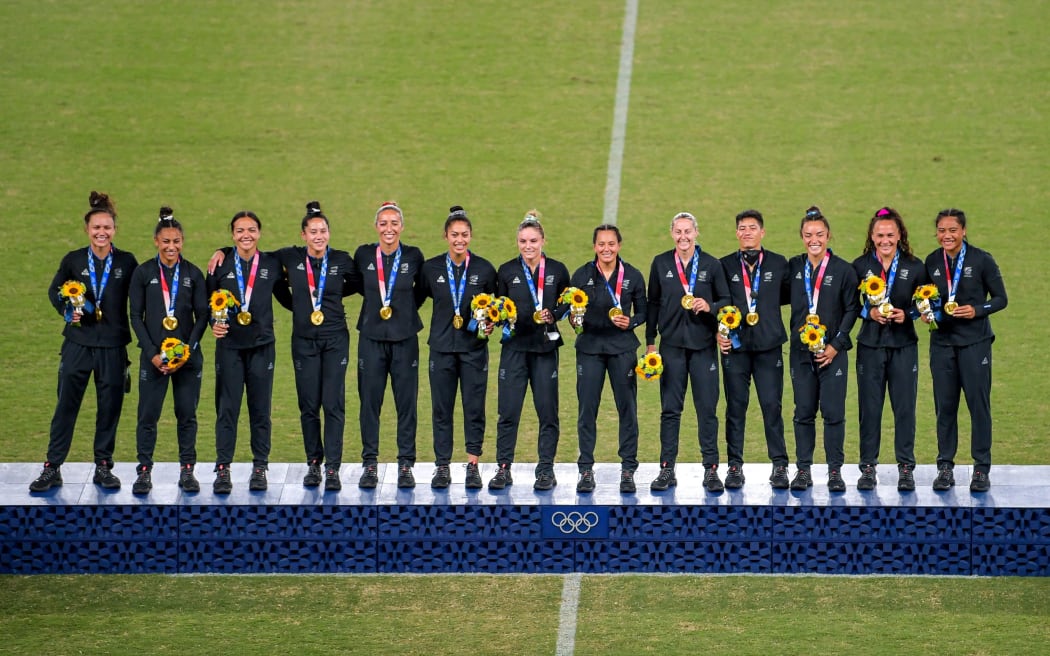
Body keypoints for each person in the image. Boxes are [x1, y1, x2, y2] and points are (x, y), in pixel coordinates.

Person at [31, 192, 138, 492]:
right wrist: (67, 312)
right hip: (77, 344)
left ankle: (103, 466)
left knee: (109, 408)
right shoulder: (74, 260)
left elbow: (143, 296)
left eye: (107, 227)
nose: (101, 232)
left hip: (114, 347)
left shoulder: (127, 262)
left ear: (114, 229)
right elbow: (55, 291)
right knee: (66, 405)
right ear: (87, 230)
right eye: (96, 228)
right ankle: (53, 466)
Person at [207, 210, 292, 494]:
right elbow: (208, 303)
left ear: (259, 233)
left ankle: (260, 467)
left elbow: (287, 297)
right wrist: (212, 324)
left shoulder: (271, 263)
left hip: (261, 347)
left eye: (252, 230)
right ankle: (223, 469)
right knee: (227, 411)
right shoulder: (220, 265)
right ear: (232, 235)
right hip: (229, 347)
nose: (246, 235)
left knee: (260, 411)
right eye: (240, 230)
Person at [646, 211, 731, 493]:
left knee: (707, 410)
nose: (683, 237)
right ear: (672, 234)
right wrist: (650, 342)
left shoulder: (711, 264)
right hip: (671, 348)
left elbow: (726, 301)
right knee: (670, 411)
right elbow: (653, 304)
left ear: (696, 233)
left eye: (688, 231)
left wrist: (710, 307)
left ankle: (711, 470)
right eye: (678, 232)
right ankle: (667, 469)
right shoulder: (660, 263)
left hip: (704, 347)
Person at [923, 208, 1007, 492]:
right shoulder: (932, 261)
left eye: (953, 230)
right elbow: (927, 298)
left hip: (975, 343)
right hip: (942, 345)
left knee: (978, 406)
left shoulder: (982, 260)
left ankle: (981, 469)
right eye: (942, 230)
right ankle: (945, 467)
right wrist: (926, 313)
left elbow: (1000, 299)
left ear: (963, 231)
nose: (947, 235)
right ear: (937, 233)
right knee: (944, 407)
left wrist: (977, 310)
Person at [128, 207, 210, 495]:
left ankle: (187, 471)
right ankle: (144, 472)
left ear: (182, 241)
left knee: (186, 414)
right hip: (153, 359)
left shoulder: (193, 274)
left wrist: (186, 351)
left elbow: (203, 316)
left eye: (176, 241)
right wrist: (152, 352)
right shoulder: (143, 273)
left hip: (187, 360)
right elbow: (135, 316)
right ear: (156, 241)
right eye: (166, 242)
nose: (171, 247)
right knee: (147, 416)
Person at [489, 211, 571, 491]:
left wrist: (555, 314)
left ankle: (546, 469)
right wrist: (497, 318)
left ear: (543, 241)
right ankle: (503, 468)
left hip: (545, 349)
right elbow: (498, 308)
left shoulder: (558, 270)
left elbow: (568, 302)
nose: (528, 246)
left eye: (533, 240)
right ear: (517, 242)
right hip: (514, 349)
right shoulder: (507, 271)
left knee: (547, 412)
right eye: (523, 241)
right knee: (508, 411)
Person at [282, 201, 360, 491]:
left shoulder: (340, 260)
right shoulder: (290, 258)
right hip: (304, 341)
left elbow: (355, 284)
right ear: (303, 235)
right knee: (309, 405)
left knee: (333, 403)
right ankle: (314, 463)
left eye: (323, 231)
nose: (318, 236)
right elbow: (260, 262)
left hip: (335, 339)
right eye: (313, 231)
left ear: (329, 233)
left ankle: (332, 469)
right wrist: (222, 251)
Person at [418, 206, 498, 489]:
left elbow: (496, 309)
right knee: (442, 408)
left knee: (474, 407)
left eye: (464, 234)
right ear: (445, 236)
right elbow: (415, 299)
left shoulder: (485, 269)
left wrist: (490, 324)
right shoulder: (430, 268)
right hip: (440, 348)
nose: (459, 240)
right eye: (454, 235)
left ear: (471, 236)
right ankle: (442, 466)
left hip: (473, 349)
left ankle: (473, 464)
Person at [851, 207, 928, 491]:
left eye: (890, 235)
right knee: (869, 409)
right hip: (870, 346)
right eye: (880, 235)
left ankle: (905, 468)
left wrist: (907, 315)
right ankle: (868, 468)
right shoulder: (859, 266)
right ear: (872, 237)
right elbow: (848, 304)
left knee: (904, 408)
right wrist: (868, 314)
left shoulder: (914, 266)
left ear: (899, 236)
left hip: (904, 346)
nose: (885, 240)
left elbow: (924, 303)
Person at [569, 224, 647, 493]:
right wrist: (573, 319)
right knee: (586, 410)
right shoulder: (581, 275)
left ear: (619, 245)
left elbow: (645, 312)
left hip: (622, 349)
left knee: (627, 410)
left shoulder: (633, 276)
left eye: (611, 243)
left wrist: (632, 321)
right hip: (589, 349)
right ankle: (586, 470)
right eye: (601, 244)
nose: (606, 249)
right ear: (594, 247)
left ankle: (628, 469)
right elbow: (572, 312)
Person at [717, 209, 791, 489]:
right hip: (735, 348)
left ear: (762, 232)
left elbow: (786, 297)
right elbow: (717, 302)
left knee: (772, 406)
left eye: (752, 227)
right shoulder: (724, 265)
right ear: (736, 233)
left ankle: (780, 465)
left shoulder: (778, 263)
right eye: (742, 228)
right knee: (735, 407)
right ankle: (734, 466)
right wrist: (719, 331)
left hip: (769, 347)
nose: (747, 232)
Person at [787, 206, 860, 491]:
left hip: (833, 355)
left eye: (819, 234)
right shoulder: (793, 268)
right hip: (800, 354)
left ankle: (834, 472)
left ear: (828, 235)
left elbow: (853, 309)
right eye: (808, 235)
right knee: (803, 412)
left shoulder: (843, 270)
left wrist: (835, 345)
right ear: (802, 237)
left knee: (833, 413)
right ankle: (803, 470)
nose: (813, 239)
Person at [354, 201, 425, 489]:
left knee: (405, 404)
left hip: (405, 340)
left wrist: (405, 311)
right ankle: (370, 464)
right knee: (370, 404)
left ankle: (405, 464)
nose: (389, 228)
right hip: (371, 339)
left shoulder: (414, 256)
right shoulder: (362, 255)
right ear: (376, 227)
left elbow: (421, 291)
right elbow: (357, 284)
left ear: (402, 227)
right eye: (383, 223)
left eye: (394, 223)